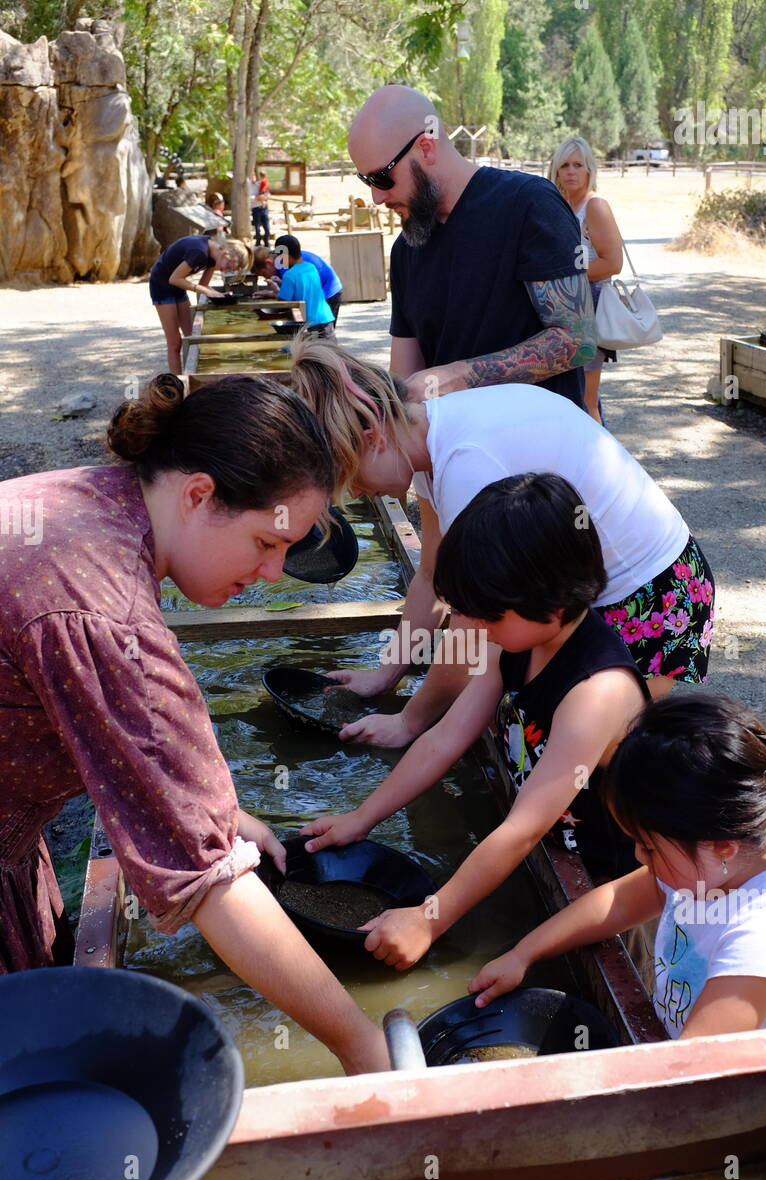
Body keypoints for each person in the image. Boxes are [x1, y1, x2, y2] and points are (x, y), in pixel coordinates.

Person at [0, 373, 388, 1074]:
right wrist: (363, 1047)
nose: (273, 574)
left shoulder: (92, 498)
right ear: (200, 494)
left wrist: (221, 815)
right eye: (265, 544)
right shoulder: (104, 611)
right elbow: (211, 886)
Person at [287, 336, 715, 746]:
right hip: (578, 591)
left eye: (351, 477)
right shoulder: (423, 433)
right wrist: (387, 673)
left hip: (653, 597)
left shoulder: (467, 464)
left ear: (371, 438)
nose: (358, 493)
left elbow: (472, 624)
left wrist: (409, 721)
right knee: (499, 713)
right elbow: (434, 574)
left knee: (561, 746)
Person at [301, 475, 648, 968]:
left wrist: (429, 918)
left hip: (605, 887)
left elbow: (521, 830)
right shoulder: (517, 642)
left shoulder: (596, 692)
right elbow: (443, 738)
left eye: (489, 615)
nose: (477, 628)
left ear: (549, 600)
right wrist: (362, 818)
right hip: (551, 850)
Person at [470, 691, 766, 1038]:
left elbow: (691, 1070)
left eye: (649, 847)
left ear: (720, 847)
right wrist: (524, 954)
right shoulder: (715, 866)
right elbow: (618, 903)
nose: (639, 858)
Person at [348, 85, 596, 409]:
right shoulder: (406, 248)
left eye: (382, 178)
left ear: (426, 147)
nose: (377, 198)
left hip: (541, 452)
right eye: (366, 181)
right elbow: (406, 382)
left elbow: (578, 341)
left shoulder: (528, 204)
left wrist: (458, 377)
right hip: (457, 456)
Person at [548, 136, 624, 426]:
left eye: (577, 165)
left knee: (586, 401)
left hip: (589, 309)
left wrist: (564, 275)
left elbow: (612, 263)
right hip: (563, 310)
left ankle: (601, 467)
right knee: (569, 395)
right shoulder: (559, 204)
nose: (570, 171)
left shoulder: (595, 206)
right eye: (564, 165)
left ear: (589, 169)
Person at [149, 234, 249, 373]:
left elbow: (204, 285)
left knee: (192, 336)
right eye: (228, 266)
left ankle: (195, 376)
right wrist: (206, 291)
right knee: (175, 343)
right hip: (162, 285)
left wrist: (219, 295)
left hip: (178, 285)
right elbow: (174, 278)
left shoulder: (214, 256)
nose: (225, 271)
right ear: (225, 254)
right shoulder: (199, 251)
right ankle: (178, 383)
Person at [274, 235, 343, 323]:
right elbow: (303, 292)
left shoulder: (289, 275)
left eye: (279, 257)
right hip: (325, 318)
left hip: (311, 323)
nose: (279, 261)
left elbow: (284, 303)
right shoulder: (311, 267)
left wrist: (276, 290)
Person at [251, 167, 271, 247]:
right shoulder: (249, 186)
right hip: (256, 208)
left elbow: (268, 194)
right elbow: (249, 198)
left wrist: (263, 198)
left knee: (266, 226)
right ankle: (258, 241)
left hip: (263, 208)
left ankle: (266, 241)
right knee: (257, 227)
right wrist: (257, 198)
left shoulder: (261, 183)